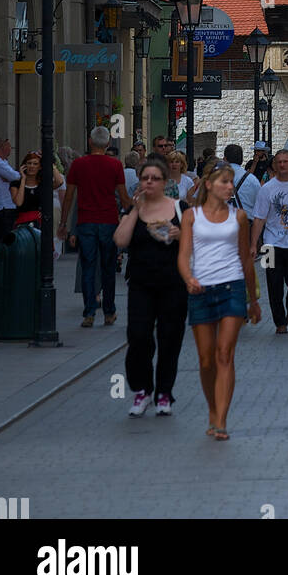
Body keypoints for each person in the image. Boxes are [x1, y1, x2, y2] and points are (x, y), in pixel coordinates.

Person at [178, 160, 260, 439]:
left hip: (231, 287)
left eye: (230, 182)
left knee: (225, 354)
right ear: (209, 185)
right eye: (224, 182)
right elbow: (183, 254)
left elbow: (246, 258)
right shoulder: (191, 216)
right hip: (201, 290)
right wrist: (189, 277)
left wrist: (254, 299)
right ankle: (212, 408)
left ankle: (221, 419)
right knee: (205, 359)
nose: (229, 187)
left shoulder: (238, 217)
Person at [113, 155, 188, 416]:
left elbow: (196, 242)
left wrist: (180, 234)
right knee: (138, 336)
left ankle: (164, 392)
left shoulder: (180, 208)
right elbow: (120, 240)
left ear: (165, 182)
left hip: (173, 284)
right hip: (141, 284)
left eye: (155, 178)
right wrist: (135, 209)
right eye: (145, 178)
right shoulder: (132, 210)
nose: (149, 183)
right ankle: (142, 389)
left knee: (169, 338)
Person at [58, 127, 131, 327]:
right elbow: (124, 198)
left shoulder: (78, 165)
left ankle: (89, 312)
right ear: (108, 144)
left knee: (88, 267)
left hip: (86, 222)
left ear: (90, 142)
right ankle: (109, 312)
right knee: (108, 268)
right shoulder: (115, 166)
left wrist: (64, 223)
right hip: (108, 222)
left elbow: (70, 196)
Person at [250, 148, 288, 333]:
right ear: (274, 165)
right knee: (273, 283)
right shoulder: (266, 189)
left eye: (286, 161)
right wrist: (254, 244)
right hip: (271, 244)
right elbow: (259, 218)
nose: (283, 165)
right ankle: (280, 322)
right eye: (279, 162)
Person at [0, 138, 21, 278]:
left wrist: (13, 177)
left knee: (2, 236)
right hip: (3, 206)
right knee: (0, 237)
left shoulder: (1, 162)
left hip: (5, 205)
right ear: (2, 148)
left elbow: (12, 176)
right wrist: (17, 176)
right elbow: (15, 176)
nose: (11, 149)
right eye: (9, 147)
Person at [11, 150, 63, 228]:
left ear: (40, 167)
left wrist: (49, 162)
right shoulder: (15, 184)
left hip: (39, 224)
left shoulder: (42, 184)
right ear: (24, 166)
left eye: (35, 164)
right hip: (22, 225)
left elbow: (59, 182)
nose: (32, 166)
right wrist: (23, 179)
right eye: (29, 163)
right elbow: (18, 202)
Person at [223, 142, 260, 217]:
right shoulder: (252, 180)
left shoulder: (215, 178)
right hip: (245, 224)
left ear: (225, 159)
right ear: (242, 160)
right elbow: (260, 206)